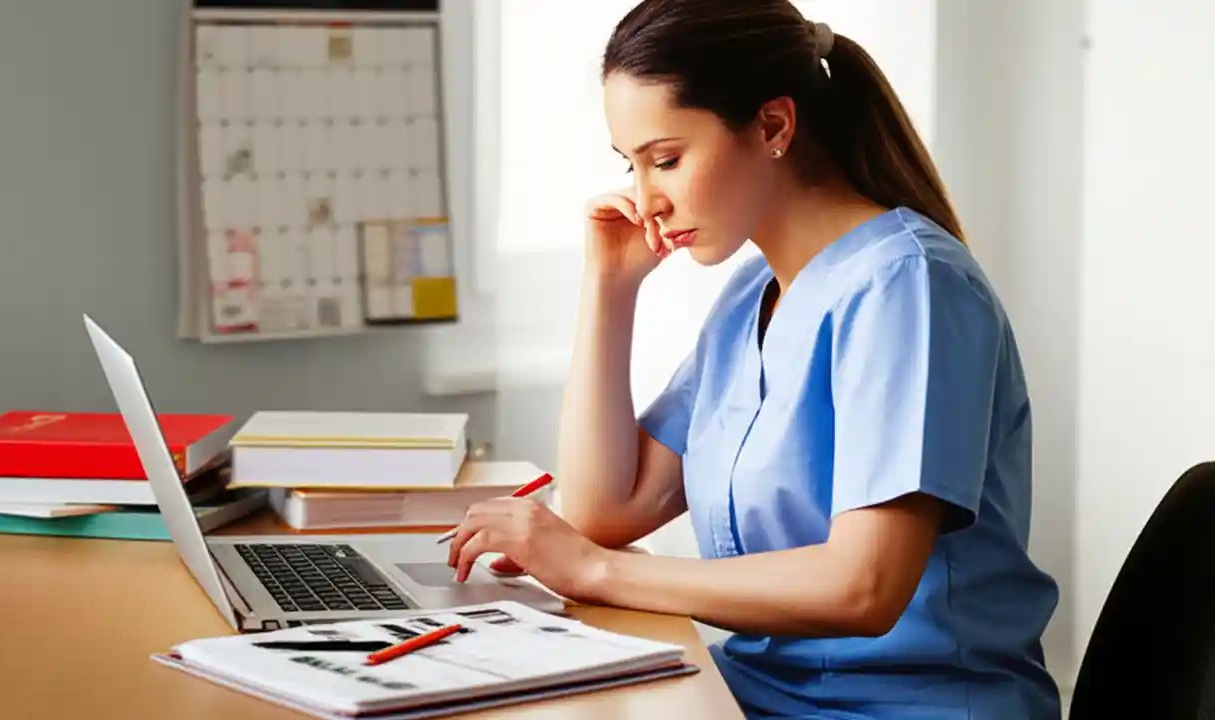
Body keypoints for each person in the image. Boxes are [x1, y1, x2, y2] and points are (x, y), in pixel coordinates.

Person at [444, 0, 1060, 717]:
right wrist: (608, 286)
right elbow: (603, 508)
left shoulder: (908, 286)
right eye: (631, 166)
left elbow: (862, 587)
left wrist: (596, 571)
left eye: (667, 160)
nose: (647, 201)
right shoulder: (753, 294)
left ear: (773, 126)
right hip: (760, 696)